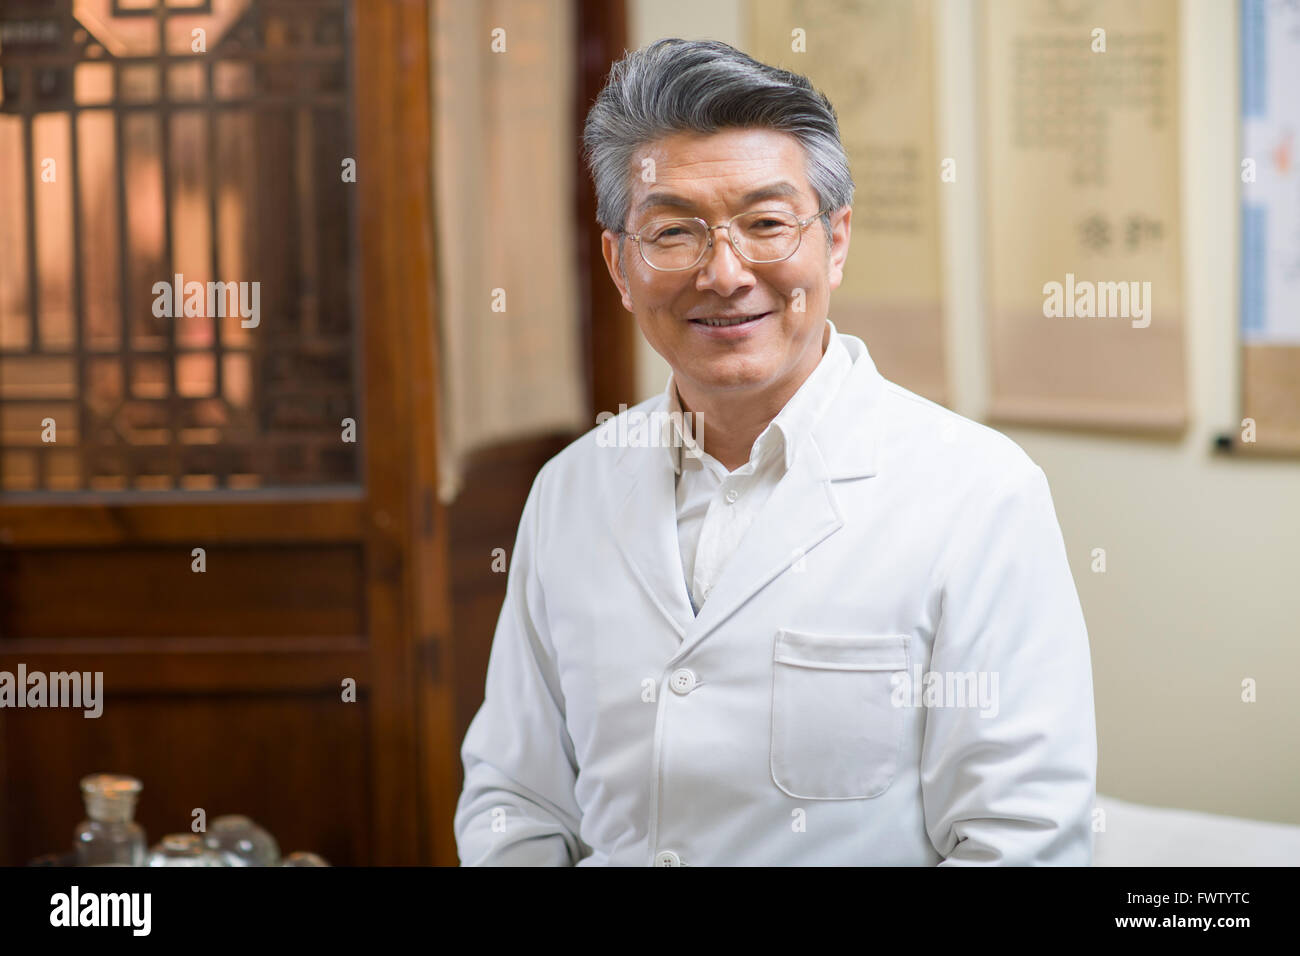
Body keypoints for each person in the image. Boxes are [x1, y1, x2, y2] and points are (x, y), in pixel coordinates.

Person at [454, 38, 1096, 866]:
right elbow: (516, 797)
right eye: (673, 232)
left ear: (834, 240)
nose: (724, 274)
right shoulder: (569, 491)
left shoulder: (978, 493)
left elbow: (1021, 841)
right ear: (619, 264)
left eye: (765, 224)